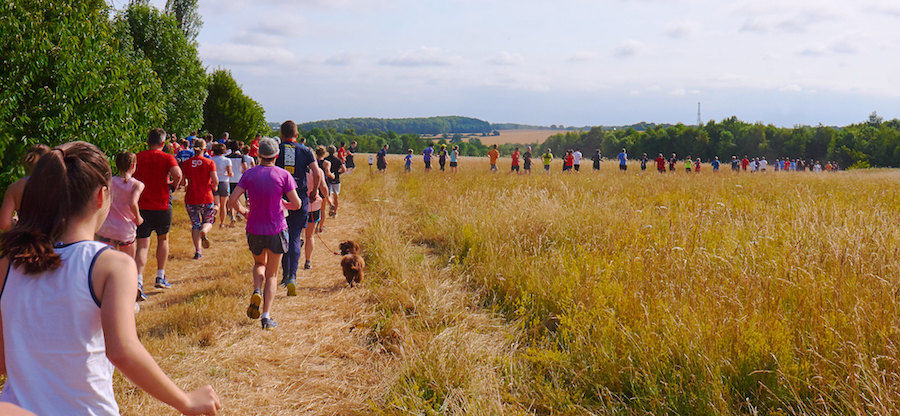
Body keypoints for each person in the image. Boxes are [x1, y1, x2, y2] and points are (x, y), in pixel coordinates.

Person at [0, 141, 220, 415]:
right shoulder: (111, 265)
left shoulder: (9, 262)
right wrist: (185, 401)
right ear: (101, 197)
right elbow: (122, 350)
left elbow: (4, 360)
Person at [228, 138, 302, 327]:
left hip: (254, 228)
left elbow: (233, 198)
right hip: (276, 228)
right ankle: (266, 316)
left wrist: (244, 212)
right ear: (276, 156)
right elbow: (297, 204)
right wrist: (285, 204)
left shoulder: (249, 174)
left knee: (259, 263)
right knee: (273, 274)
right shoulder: (283, 175)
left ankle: (256, 290)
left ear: (258, 155)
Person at [273, 121, 321, 291]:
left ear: (281, 134)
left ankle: (284, 275)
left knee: (280, 236)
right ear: (297, 134)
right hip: (300, 198)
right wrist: (314, 191)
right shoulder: (306, 151)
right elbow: (316, 173)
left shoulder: (276, 150)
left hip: (278, 198)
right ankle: (292, 276)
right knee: (294, 237)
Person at [134, 128, 182, 290]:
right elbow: (178, 174)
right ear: (163, 143)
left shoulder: (137, 157)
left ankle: (138, 280)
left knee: (142, 245)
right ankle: (160, 276)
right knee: (163, 239)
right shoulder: (167, 158)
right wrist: (173, 185)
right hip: (162, 204)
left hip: (141, 205)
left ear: (148, 142)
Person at [96, 152, 146, 299]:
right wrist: (138, 218)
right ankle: (130, 292)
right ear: (133, 166)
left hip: (107, 228)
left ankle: (103, 291)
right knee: (128, 264)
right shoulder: (137, 184)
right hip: (125, 230)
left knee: (104, 263)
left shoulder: (108, 182)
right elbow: (132, 203)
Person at [178, 139, 218, 261]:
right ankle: (204, 231)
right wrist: (214, 186)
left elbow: (183, 182)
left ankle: (198, 251)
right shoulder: (209, 162)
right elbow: (215, 179)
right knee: (208, 220)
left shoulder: (186, 163)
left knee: (195, 224)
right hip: (206, 196)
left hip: (191, 197)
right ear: (204, 148)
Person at [0, 144, 50, 232]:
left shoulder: (15, 188)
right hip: (52, 241)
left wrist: (18, 225)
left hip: (26, 241)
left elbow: (4, 224)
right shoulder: (60, 184)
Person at [303, 150, 330, 272]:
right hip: (313, 205)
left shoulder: (297, 171)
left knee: (296, 235)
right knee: (310, 236)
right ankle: (308, 261)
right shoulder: (318, 171)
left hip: (298, 204)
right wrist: (329, 201)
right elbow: (323, 187)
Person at [226, 141, 250, 225]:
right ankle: (239, 212)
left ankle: (232, 215)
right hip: (238, 178)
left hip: (229, 179)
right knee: (237, 197)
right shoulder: (241, 157)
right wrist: (241, 172)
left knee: (231, 197)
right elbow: (245, 167)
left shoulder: (227, 157)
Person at [210, 143, 233, 229]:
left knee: (216, 204)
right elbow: (230, 173)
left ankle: (214, 212)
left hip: (214, 182)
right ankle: (222, 223)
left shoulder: (211, 159)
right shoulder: (227, 160)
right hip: (224, 182)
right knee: (223, 205)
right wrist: (232, 174)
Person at [325, 145, 346, 218]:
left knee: (329, 195)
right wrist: (338, 173)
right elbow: (344, 169)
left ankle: (331, 205)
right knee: (336, 196)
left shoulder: (325, 160)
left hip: (327, 179)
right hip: (336, 179)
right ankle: (335, 213)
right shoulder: (338, 160)